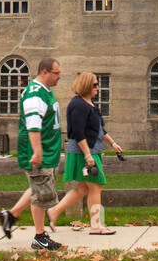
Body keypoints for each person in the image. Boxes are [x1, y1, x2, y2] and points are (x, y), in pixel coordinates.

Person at [0, 57, 64, 250]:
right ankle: (40, 237)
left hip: (47, 150)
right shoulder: (35, 94)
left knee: (39, 187)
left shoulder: (44, 91)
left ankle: (10, 216)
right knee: (41, 194)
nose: (59, 76)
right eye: (56, 73)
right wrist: (37, 151)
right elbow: (33, 124)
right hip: (39, 151)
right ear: (44, 72)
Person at [47, 72, 123, 234]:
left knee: (83, 188)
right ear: (86, 86)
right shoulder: (78, 105)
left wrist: (113, 143)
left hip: (91, 151)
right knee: (96, 186)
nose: (98, 87)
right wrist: (88, 155)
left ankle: (54, 212)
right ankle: (95, 226)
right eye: (95, 85)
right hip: (83, 153)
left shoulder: (90, 104)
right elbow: (79, 132)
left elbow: (100, 129)